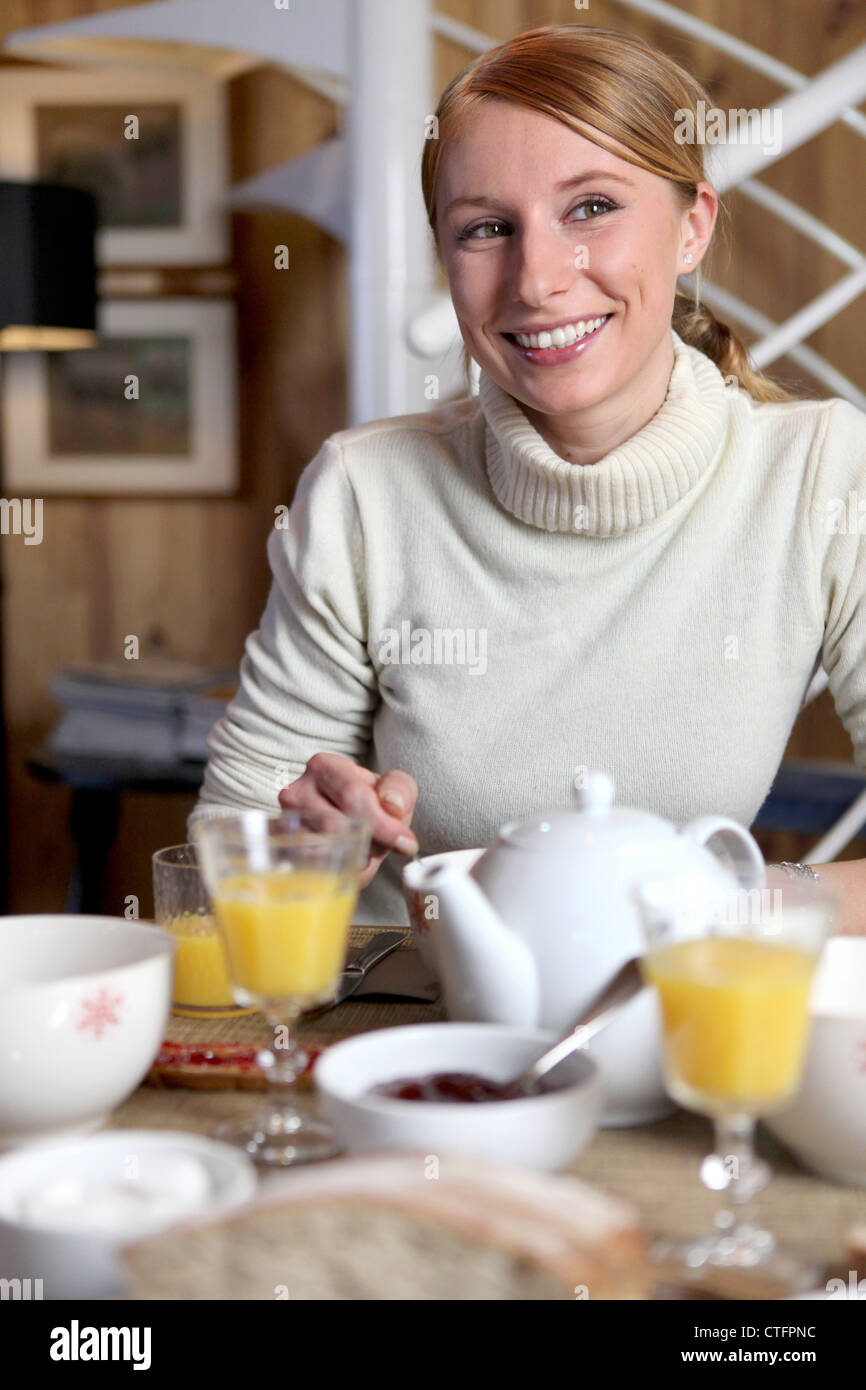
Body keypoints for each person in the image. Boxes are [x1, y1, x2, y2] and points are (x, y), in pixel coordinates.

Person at [189, 24, 866, 928]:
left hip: (681, 1019)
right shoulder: (365, 491)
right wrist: (303, 858)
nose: (539, 279)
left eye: (591, 207)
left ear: (693, 225)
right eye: (486, 228)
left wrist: (717, 903)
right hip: (412, 1026)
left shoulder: (821, 474)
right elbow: (214, 880)